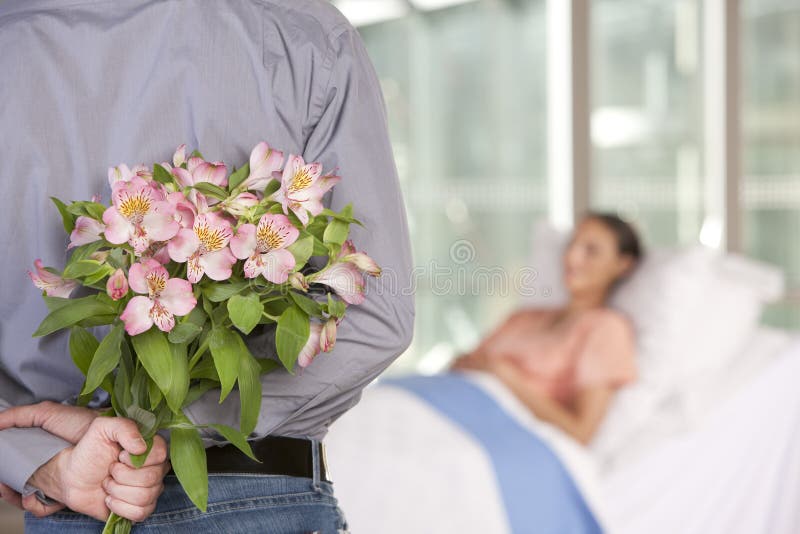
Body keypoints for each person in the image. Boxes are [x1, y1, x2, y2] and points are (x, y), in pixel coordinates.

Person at [0, 0, 414, 532]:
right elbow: (379, 318)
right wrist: (174, 422)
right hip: (265, 497)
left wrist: (46, 456)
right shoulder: (306, 34)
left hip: (78, 492)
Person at [452, 213, 642, 444]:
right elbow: (463, 364)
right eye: (572, 244)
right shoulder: (524, 317)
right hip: (449, 403)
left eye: (591, 250)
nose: (571, 257)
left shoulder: (606, 329)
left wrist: (508, 380)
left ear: (622, 264)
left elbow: (580, 433)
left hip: (495, 434)